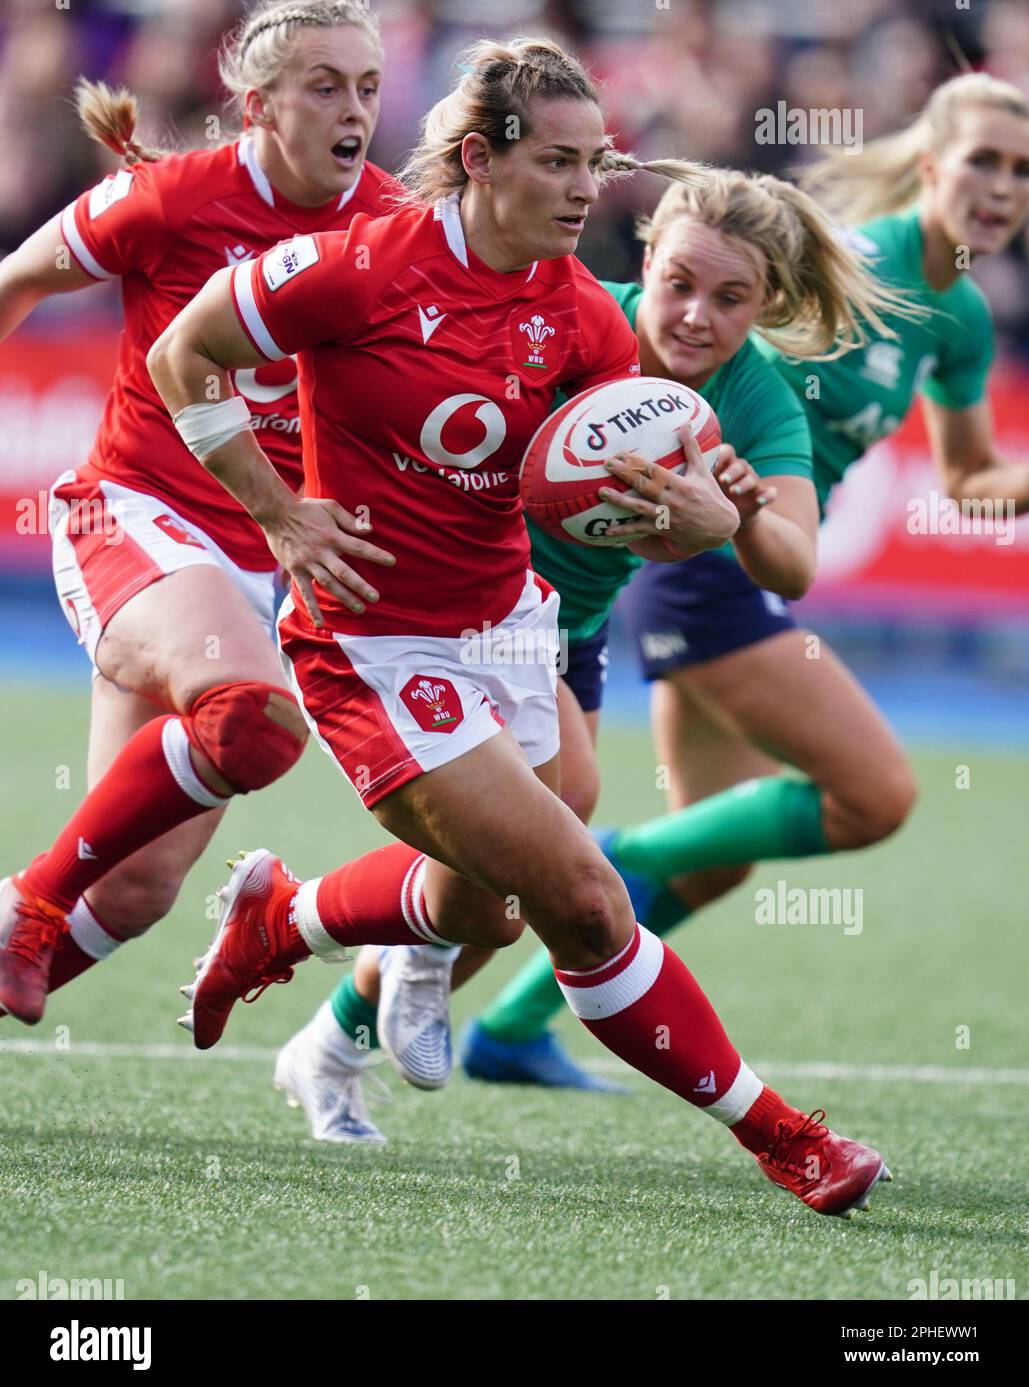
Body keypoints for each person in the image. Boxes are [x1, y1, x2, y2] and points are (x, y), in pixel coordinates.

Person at [151, 36, 891, 1218]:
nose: (588, 189)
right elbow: (182, 350)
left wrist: (698, 518)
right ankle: (788, 1138)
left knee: (483, 902)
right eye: (560, 163)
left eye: (598, 163)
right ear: (483, 161)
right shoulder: (354, 271)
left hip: (512, 630)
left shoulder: (587, 324)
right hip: (373, 642)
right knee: (583, 898)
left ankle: (280, 917)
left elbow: (614, 508)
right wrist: (281, 514)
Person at [465, 70, 1029, 1091]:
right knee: (876, 794)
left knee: (715, 856)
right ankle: (605, 852)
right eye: (982, 160)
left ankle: (509, 1027)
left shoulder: (962, 319)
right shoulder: (855, 267)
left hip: (745, 554)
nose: (1000, 187)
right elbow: (704, 330)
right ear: (930, 163)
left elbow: (969, 481)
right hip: (709, 558)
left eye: (1022, 172)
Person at [0, 0, 396, 1027]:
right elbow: (18, 281)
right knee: (254, 719)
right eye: (324, 86)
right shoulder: (170, 199)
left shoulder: (394, 226)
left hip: (247, 561)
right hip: (126, 514)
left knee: (135, 888)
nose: (353, 109)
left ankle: (36, 907)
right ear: (259, 106)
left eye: (366, 87)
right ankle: (26, 905)